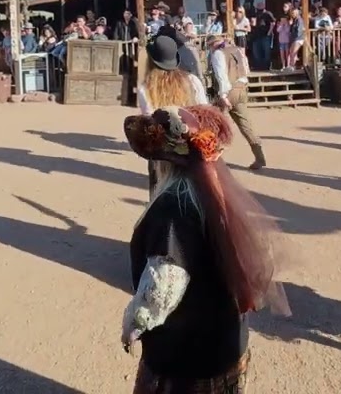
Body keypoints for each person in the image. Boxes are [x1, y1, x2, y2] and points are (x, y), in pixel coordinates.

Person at [120, 105, 289, 393]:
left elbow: (160, 293)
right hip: (227, 342)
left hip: (188, 358)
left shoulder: (172, 209)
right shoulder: (216, 194)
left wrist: (132, 324)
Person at [138, 36, 208, 193]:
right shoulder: (192, 80)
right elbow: (204, 112)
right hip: (191, 146)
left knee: (160, 195)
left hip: (162, 152)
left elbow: (150, 120)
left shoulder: (145, 88)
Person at [207, 33, 267, 170]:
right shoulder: (237, 50)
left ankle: (212, 159)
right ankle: (259, 157)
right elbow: (246, 70)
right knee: (246, 126)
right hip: (241, 88)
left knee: (215, 126)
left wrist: (223, 96)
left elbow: (221, 76)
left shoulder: (218, 54)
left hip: (228, 92)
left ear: (211, 45)